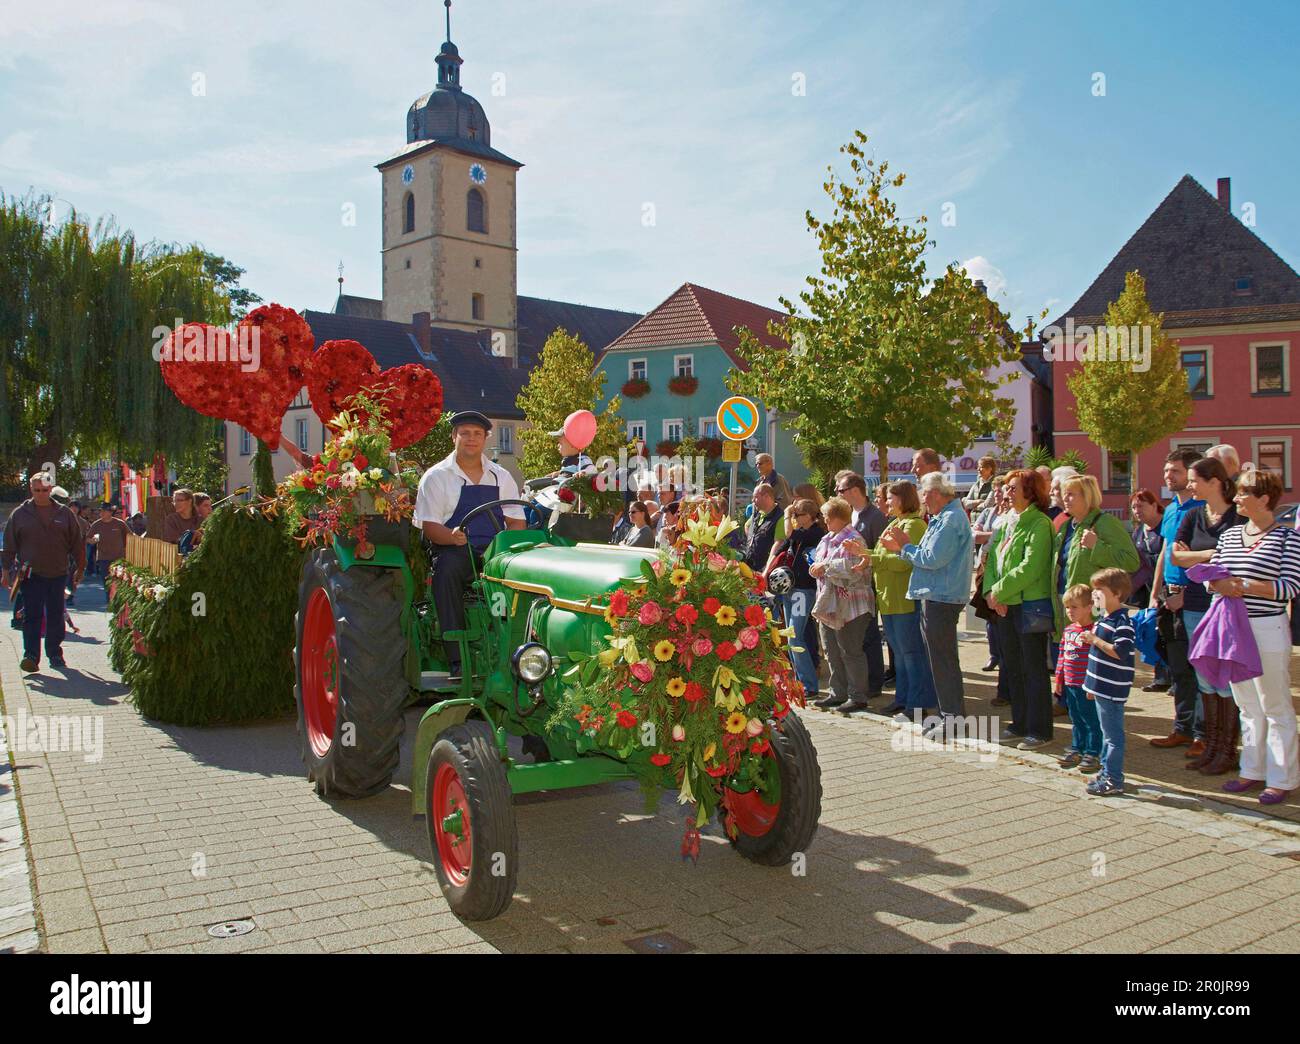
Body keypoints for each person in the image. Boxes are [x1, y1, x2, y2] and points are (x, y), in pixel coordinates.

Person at [1210, 470, 1300, 804]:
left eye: (1243, 493)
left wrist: (1244, 586)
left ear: (1264, 498)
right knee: (1247, 703)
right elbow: (1214, 574)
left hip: (1267, 627)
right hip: (1233, 628)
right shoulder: (1230, 535)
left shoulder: (1287, 539)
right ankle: (1252, 770)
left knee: (1274, 704)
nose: (1235, 499)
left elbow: (1289, 588)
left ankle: (1283, 777)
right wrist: (1214, 583)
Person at [414, 410, 526, 680]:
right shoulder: (437, 477)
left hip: (494, 552)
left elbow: (516, 522)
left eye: (477, 434)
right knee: (449, 569)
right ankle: (457, 658)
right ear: (454, 437)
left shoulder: (501, 476)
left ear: (486, 439)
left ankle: (523, 652)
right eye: (465, 433)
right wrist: (450, 536)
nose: (471, 439)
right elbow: (430, 527)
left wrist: (502, 548)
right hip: (453, 548)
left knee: (525, 572)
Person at [878, 471, 973, 740]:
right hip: (936, 595)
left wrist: (905, 547)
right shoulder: (944, 517)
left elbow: (932, 558)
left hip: (943, 597)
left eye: (925, 493)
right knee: (940, 661)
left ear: (935, 493)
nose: (923, 498)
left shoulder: (951, 519)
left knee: (943, 661)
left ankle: (953, 718)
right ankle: (948, 716)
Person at [1169, 457, 1243, 771]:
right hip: (1197, 605)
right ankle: (1210, 746)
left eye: (1195, 480)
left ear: (1214, 482)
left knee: (1225, 678)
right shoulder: (1193, 514)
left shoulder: (1237, 517)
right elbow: (1175, 556)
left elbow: (1232, 556)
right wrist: (1213, 553)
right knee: (1204, 677)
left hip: (1227, 607)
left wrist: (1196, 556)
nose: (1190, 485)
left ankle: (1227, 750)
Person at [984, 469, 1056, 749]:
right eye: (1006, 488)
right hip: (1004, 605)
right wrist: (991, 592)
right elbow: (992, 560)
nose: (1006, 492)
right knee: (1012, 666)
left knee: (1033, 668)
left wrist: (999, 590)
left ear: (1030, 491)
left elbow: (1031, 567)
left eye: (1013, 488)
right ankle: (1020, 722)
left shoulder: (1039, 523)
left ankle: (1040, 730)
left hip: (1028, 605)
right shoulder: (1004, 521)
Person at [1148, 448, 1206, 751]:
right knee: (1178, 668)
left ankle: (1201, 733)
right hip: (1168, 597)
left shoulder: (1203, 509)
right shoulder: (1170, 509)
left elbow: (1204, 558)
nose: (1168, 476)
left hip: (1194, 599)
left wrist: (1186, 593)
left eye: (1176, 471)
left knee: (1199, 669)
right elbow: (1165, 552)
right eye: (1167, 470)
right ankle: (1182, 727)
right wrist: (1155, 593)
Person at [865, 481, 935, 721]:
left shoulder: (914, 526)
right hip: (889, 599)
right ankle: (903, 699)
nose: (886, 502)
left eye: (891, 498)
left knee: (911, 653)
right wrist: (864, 555)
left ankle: (917, 704)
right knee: (900, 653)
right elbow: (884, 556)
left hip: (904, 599)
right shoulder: (893, 524)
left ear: (903, 499)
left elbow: (906, 561)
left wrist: (875, 560)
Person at [2, 474, 85, 672]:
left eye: (45, 490)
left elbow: (77, 543)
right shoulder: (20, 514)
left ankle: (55, 654)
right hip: (31, 574)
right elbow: (9, 545)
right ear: (31, 490)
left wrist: (80, 569)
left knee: (56, 615)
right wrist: (5, 570)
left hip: (57, 573)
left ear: (51, 489)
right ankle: (30, 655)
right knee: (32, 616)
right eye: (37, 490)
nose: (41, 494)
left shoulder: (64, 513)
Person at [809, 497, 873, 713]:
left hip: (851, 606)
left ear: (838, 518)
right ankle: (837, 693)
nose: (824, 521)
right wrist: (814, 568)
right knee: (831, 650)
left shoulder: (855, 539)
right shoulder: (827, 539)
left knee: (850, 651)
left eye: (827, 517)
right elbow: (815, 562)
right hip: (828, 605)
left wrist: (824, 567)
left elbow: (856, 570)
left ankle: (858, 697)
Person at [1080, 568, 1137, 797]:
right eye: (1094, 591)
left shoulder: (1121, 621)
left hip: (1112, 688)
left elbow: (1120, 652)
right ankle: (1106, 774)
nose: (1095, 596)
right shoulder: (1105, 618)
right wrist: (1091, 686)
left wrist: (1094, 640)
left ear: (1117, 593)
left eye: (1100, 591)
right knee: (1107, 734)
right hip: (1101, 687)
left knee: (1113, 737)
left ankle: (1114, 778)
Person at [834, 471, 887, 698]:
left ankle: (875, 682)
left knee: (870, 634)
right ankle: (866, 681)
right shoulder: (852, 515)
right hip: (854, 587)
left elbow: (881, 550)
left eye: (841, 490)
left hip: (870, 585)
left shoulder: (875, 517)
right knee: (861, 637)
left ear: (854, 490)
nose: (838, 494)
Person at [771, 498, 826, 701]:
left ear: (810, 515)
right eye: (794, 515)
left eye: (798, 515)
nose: (794, 518)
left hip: (804, 591)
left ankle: (809, 684)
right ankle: (799, 683)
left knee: (795, 635)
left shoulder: (815, 532)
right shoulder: (799, 535)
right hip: (790, 589)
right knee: (789, 635)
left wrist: (786, 514)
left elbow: (789, 533)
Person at [1055, 583, 1102, 774]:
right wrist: (1059, 679)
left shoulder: (1095, 631)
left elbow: (1098, 659)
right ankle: (1077, 747)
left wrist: (1095, 684)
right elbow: (1062, 656)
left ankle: (1093, 751)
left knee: (1091, 718)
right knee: (1075, 717)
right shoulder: (1068, 631)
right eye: (1067, 607)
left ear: (1089, 607)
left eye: (1074, 607)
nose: (1069, 611)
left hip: (1087, 685)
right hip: (1070, 683)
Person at [1130, 489, 1172, 693]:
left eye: (1141, 506)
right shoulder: (1138, 531)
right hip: (1145, 590)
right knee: (1151, 633)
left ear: (1155, 505)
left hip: (1166, 589)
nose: (1137, 510)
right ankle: (1161, 676)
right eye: (1134, 507)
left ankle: (1174, 677)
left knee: (1167, 633)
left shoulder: (1166, 526)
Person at [743, 484, 782, 572]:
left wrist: (766, 570)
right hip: (750, 565)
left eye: (755, 497)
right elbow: (747, 526)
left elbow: (778, 544)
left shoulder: (780, 517)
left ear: (766, 497)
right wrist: (752, 539)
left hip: (764, 570)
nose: (753, 500)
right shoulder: (757, 513)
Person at [88, 503, 131, 578]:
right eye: (101, 511)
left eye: (104, 511)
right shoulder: (96, 524)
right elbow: (87, 538)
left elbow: (130, 535)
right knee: (106, 580)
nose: (102, 513)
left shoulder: (120, 523)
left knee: (118, 580)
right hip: (103, 558)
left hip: (119, 557)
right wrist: (92, 540)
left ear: (111, 512)